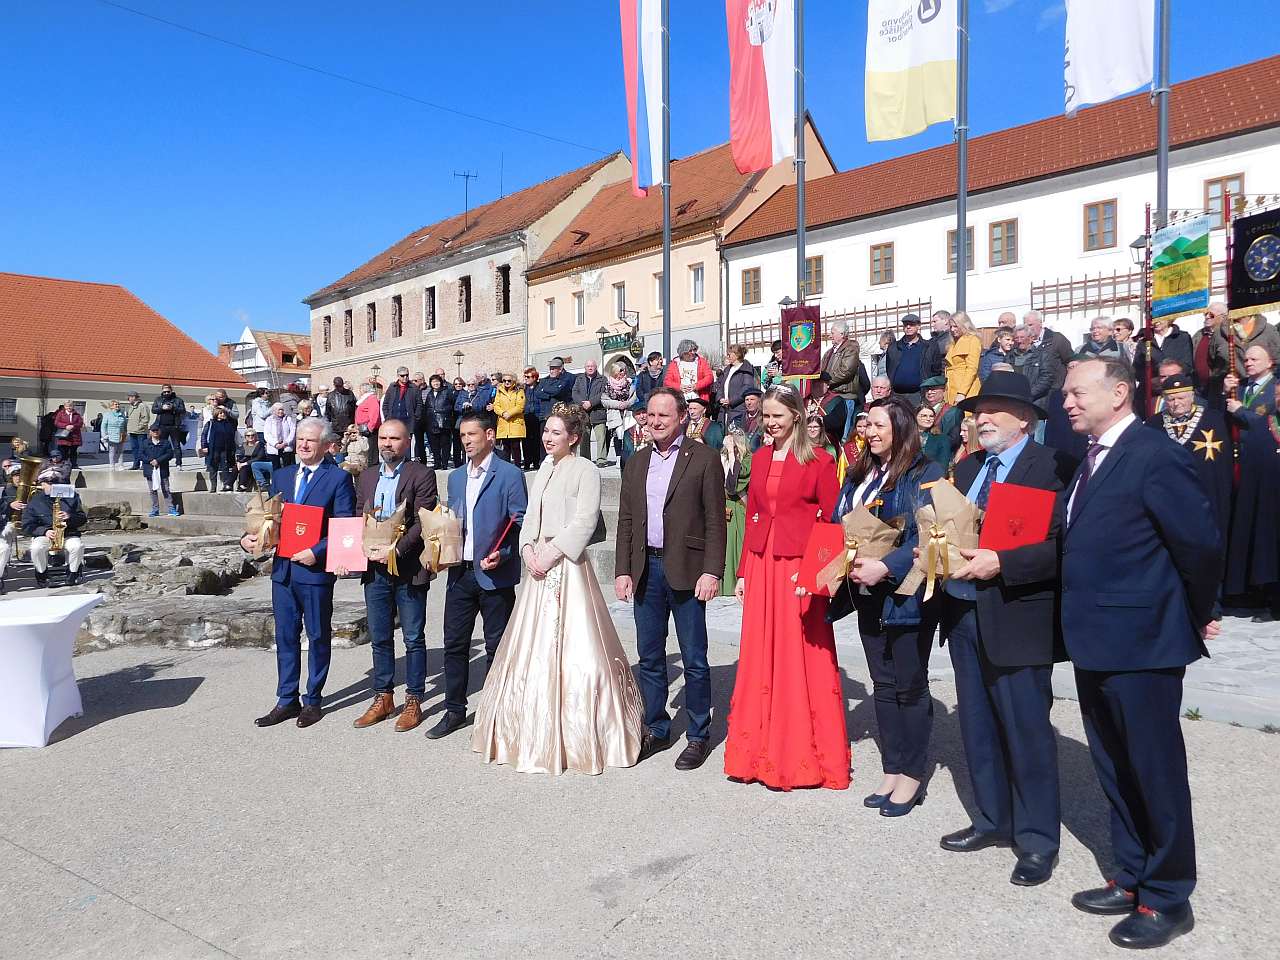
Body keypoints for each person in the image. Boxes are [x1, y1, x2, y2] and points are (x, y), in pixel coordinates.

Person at [1060, 357, 1221, 950]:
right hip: (1096, 640)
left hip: (1143, 643)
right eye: (1066, 393)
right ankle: (1129, 874)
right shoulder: (1093, 458)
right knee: (1115, 768)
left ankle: (1168, 895)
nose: (1069, 402)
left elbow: (1199, 546)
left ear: (1120, 393)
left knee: (1155, 772)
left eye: (1079, 392)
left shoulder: (1155, 455)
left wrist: (1193, 613)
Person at [936, 371, 1065, 887]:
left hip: (1016, 616)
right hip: (964, 615)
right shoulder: (967, 470)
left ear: (1025, 418)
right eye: (977, 411)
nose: (981, 418)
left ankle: (1036, 840)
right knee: (978, 726)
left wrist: (1003, 564)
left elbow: (1061, 547)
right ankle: (991, 819)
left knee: (1026, 731)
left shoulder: (1051, 466)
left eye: (993, 410)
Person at [472, 404, 642, 774]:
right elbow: (530, 515)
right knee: (529, 642)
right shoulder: (545, 468)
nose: (548, 438)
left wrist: (551, 552)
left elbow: (585, 519)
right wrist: (529, 547)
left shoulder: (586, 471)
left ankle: (578, 732)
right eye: (546, 431)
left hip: (567, 562)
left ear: (574, 438)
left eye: (556, 433)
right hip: (538, 562)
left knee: (575, 641)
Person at [726, 384, 846, 790]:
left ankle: (797, 755)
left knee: (799, 654)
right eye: (767, 416)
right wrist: (743, 572)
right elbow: (755, 513)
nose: (771, 423)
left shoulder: (820, 461)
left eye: (779, 415)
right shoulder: (757, 458)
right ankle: (754, 754)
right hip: (762, 566)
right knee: (760, 653)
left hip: (798, 569)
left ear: (796, 416)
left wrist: (816, 575)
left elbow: (833, 523)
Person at [830, 397, 941, 812]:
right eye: (867, 425)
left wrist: (886, 566)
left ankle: (912, 776)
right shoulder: (861, 471)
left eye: (879, 425)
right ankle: (892, 769)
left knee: (910, 685)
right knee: (883, 684)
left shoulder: (924, 472)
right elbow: (840, 522)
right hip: (866, 592)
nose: (871, 433)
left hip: (906, 592)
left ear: (900, 427)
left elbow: (930, 534)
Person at [615, 388, 725, 771]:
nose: (656, 421)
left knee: (694, 657)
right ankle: (657, 727)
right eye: (651, 414)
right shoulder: (637, 461)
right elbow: (626, 519)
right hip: (647, 570)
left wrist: (712, 571)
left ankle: (697, 735)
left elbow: (715, 520)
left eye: (665, 414)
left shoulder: (704, 459)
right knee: (649, 656)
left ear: (682, 417)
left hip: (688, 570)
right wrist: (623, 569)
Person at [243, 419, 357, 729]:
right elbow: (269, 520)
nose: (303, 445)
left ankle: (313, 700)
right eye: (300, 439)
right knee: (285, 636)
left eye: (310, 440)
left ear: (325, 445)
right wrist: (249, 538)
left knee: (318, 635)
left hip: (314, 572)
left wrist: (316, 552)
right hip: (283, 572)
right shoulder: (281, 475)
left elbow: (343, 527)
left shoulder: (338, 479)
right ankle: (286, 699)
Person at [427, 412, 529, 740]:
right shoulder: (456, 477)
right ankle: (454, 709)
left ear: (490, 435)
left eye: (472, 434)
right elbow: (452, 519)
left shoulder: (510, 474)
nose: (467, 440)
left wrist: (506, 553)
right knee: (454, 643)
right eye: (462, 436)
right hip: (460, 573)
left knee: (497, 646)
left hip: (495, 574)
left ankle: (494, 712)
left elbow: (520, 520)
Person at [346, 419, 438, 733]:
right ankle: (383, 696)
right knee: (380, 637)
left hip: (407, 567)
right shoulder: (368, 475)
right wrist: (350, 553)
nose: (387, 443)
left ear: (407, 441)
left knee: (413, 638)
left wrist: (395, 551)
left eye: (394, 438)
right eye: (383, 438)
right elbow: (359, 515)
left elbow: (422, 520)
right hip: (375, 571)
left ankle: (414, 699)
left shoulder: (421, 474)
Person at [1143, 373, 1232, 568]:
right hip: (1168, 502)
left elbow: (1222, 469)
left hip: (1206, 500)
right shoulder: (1153, 424)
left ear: (1192, 396)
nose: (1176, 403)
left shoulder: (1213, 420)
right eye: (1171, 399)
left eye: (1181, 397)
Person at [1224, 346, 1280, 620]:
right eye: (1245, 359)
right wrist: (1226, 393)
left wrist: (1241, 411)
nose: (1247, 363)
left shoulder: (1275, 388)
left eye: (1254, 359)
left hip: (1266, 464)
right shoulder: (1242, 387)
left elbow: (1272, 422)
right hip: (1242, 463)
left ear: (1270, 362)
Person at [22, 466, 88, 587]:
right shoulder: (35, 501)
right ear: (42, 485)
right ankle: (42, 574)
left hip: (68, 533)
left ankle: (72, 573)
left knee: (77, 546)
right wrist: (44, 531)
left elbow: (82, 518)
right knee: (36, 548)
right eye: (47, 483)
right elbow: (27, 525)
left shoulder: (71, 496)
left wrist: (69, 517)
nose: (51, 486)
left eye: (54, 483)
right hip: (46, 535)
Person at [1133, 316, 1195, 418]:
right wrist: (1153, 380)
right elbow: (1137, 369)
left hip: (1177, 390)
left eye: (1159, 318)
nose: (1155, 322)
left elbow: (1187, 365)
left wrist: (1169, 377)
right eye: (1152, 319)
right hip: (1152, 393)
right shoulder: (1144, 341)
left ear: (1169, 318)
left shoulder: (1182, 337)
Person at [719, 425, 751, 597]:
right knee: (725, 548)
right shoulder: (721, 457)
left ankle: (737, 585)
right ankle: (724, 586)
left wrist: (732, 454)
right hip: (724, 507)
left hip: (739, 507)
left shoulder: (747, 459)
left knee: (737, 546)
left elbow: (734, 485)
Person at [818, 321, 865, 438]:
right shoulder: (830, 352)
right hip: (831, 396)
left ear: (842, 334)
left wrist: (827, 381)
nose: (830, 335)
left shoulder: (850, 349)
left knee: (844, 432)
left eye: (832, 332)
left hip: (845, 396)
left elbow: (846, 371)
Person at [886, 313, 942, 405]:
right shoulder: (893, 347)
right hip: (896, 395)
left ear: (918, 326)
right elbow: (889, 369)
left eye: (911, 324)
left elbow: (936, 371)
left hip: (919, 395)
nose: (908, 327)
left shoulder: (929, 347)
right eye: (905, 324)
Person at [571, 360, 608, 465]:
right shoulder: (579, 379)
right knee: (583, 438)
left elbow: (603, 393)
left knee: (601, 437)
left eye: (592, 366)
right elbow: (574, 392)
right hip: (583, 413)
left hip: (598, 411)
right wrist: (582, 403)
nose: (590, 368)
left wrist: (591, 403)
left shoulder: (602, 379)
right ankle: (585, 459)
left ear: (596, 367)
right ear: (585, 367)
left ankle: (601, 459)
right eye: (588, 366)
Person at [1192, 303, 1227, 408]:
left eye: (1211, 315)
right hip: (1199, 389)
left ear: (1223, 317)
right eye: (1206, 314)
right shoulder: (1199, 334)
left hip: (1218, 389)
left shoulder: (1226, 334)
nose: (1207, 317)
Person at [601, 360, 637, 460]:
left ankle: (629, 455)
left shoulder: (629, 383)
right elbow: (604, 400)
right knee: (617, 434)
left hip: (628, 412)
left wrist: (627, 403)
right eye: (620, 371)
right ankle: (618, 457)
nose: (622, 373)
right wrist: (618, 404)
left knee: (627, 434)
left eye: (624, 371)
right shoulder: (608, 385)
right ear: (615, 371)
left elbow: (634, 397)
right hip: (615, 413)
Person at [942, 312, 982, 404]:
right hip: (951, 387)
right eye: (951, 327)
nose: (952, 329)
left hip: (966, 389)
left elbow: (972, 369)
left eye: (955, 326)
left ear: (964, 325)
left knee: (965, 416)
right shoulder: (952, 343)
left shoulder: (973, 340)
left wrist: (962, 393)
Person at [199, 405, 238, 492]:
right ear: (216, 414)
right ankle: (213, 486)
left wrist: (233, 449)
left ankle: (226, 485)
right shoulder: (210, 423)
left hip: (225, 449)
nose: (223, 414)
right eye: (220, 413)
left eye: (223, 413)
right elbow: (204, 435)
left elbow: (232, 437)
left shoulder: (228, 424)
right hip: (213, 449)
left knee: (225, 467)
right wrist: (204, 446)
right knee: (213, 467)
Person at [492, 372, 527, 467]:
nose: (506, 382)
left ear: (513, 381)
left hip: (515, 422)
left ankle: (517, 466)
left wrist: (509, 413)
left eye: (509, 380)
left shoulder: (519, 391)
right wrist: (503, 413)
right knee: (505, 447)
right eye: (504, 380)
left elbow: (520, 406)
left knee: (515, 446)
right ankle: (507, 468)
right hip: (503, 422)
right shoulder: (499, 391)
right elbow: (496, 405)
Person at [421, 374, 455, 469]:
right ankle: (437, 463)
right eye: (433, 382)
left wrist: (448, 416)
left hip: (444, 422)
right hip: (431, 422)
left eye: (437, 381)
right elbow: (427, 407)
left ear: (440, 382)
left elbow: (452, 404)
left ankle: (444, 463)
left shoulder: (447, 392)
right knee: (434, 445)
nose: (435, 383)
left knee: (445, 444)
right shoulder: (430, 393)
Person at [0, 461, 24, 593]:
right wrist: (10, 506)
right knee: (7, 532)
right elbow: (2, 509)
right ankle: (3, 565)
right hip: (10, 521)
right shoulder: (6, 490)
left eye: (20, 475)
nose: (18, 478)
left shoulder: (31, 488)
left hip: (28, 521)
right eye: (15, 475)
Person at [151, 385, 187, 468]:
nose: (166, 393)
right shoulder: (158, 399)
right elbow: (153, 410)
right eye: (165, 391)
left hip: (174, 426)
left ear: (171, 391)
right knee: (162, 445)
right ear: (162, 391)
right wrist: (162, 408)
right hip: (162, 425)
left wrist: (173, 407)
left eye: (168, 391)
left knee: (176, 445)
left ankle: (179, 463)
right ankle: (161, 462)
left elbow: (183, 410)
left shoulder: (178, 400)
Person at [381, 367, 420, 442]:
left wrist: (415, 418)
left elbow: (419, 404)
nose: (405, 377)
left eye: (407, 375)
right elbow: (385, 403)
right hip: (393, 421)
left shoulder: (413, 388)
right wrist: (387, 416)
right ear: (398, 376)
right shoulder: (392, 387)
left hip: (407, 422)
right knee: (394, 444)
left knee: (406, 446)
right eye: (402, 376)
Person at [262, 403, 296, 469]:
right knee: (275, 468)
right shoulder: (269, 420)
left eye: (282, 410)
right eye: (279, 410)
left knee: (288, 468)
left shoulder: (288, 419)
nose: (281, 411)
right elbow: (267, 434)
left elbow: (292, 432)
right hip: (274, 448)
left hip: (286, 447)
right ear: (274, 410)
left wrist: (286, 442)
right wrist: (276, 444)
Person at [730, 385, 765, 450]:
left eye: (752, 399)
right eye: (747, 400)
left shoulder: (764, 420)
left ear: (759, 401)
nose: (749, 402)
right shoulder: (736, 420)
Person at [521, 367, 542, 469]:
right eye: (525, 376)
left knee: (537, 440)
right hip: (526, 416)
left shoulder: (540, 387)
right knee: (526, 441)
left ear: (534, 378)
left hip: (537, 416)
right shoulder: (523, 389)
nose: (526, 379)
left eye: (528, 377)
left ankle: (536, 461)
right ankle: (527, 461)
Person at [52, 401, 84, 468]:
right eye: (67, 406)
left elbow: (80, 423)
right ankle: (64, 465)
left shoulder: (77, 415)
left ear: (73, 406)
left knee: (73, 452)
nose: (69, 407)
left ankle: (74, 465)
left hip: (74, 437)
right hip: (64, 437)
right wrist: (66, 426)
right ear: (65, 407)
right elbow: (56, 423)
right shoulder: (60, 414)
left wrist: (73, 426)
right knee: (64, 452)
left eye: (70, 406)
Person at [124, 391, 150, 469]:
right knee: (134, 449)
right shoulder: (130, 407)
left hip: (141, 432)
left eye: (129, 397)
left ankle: (144, 464)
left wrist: (139, 427)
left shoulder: (142, 406)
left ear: (134, 397)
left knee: (142, 449)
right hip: (132, 431)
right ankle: (136, 464)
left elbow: (145, 418)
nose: (128, 399)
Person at [100, 399, 128, 470]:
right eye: (116, 404)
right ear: (111, 406)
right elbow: (103, 426)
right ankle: (112, 465)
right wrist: (104, 435)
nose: (118, 406)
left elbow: (125, 425)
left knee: (121, 451)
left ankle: (121, 465)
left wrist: (125, 433)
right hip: (111, 435)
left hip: (121, 435)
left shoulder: (122, 414)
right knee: (112, 452)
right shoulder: (107, 414)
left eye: (118, 404)